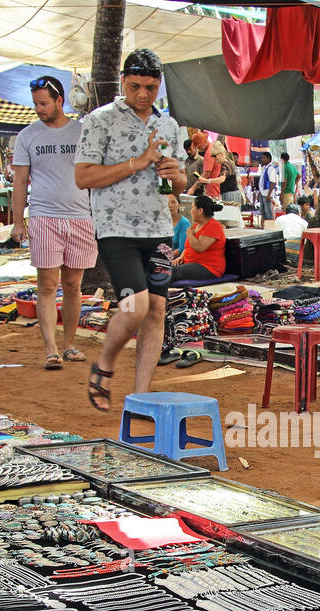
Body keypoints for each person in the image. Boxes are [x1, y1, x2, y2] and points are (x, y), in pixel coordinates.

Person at [75, 48, 187, 412]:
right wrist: (137, 163)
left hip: (158, 226)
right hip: (115, 227)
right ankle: (104, 364)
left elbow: (179, 182)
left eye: (151, 87)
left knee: (156, 309)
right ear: (122, 81)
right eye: (135, 85)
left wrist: (175, 177)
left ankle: (141, 398)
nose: (143, 94)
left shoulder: (169, 125)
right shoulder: (99, 120)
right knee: (135, 306)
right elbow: (83, 176)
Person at [11, 73, 98, 369]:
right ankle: (51, 348)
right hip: (43, 215)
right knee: (47, 285)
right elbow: (21, 181)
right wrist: (17, 221)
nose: (39, 109)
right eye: (36, 104)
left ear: (60, 100)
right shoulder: (28, 136)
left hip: (80, 217)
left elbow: (97, 174)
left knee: (74, 285)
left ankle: (69, 344)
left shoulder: (83, 132)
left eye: (44, 103)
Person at [171, 195, 227, 282]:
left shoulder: (213, 226)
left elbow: (199, 247)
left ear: (200, 210)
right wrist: (181, 257)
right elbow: (188, 247)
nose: (190, 211)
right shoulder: (197, 226)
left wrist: (189, 234)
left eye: (192, 207)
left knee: (170, 272)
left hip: (208, 267)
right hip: (191, 264)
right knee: (161, 267)